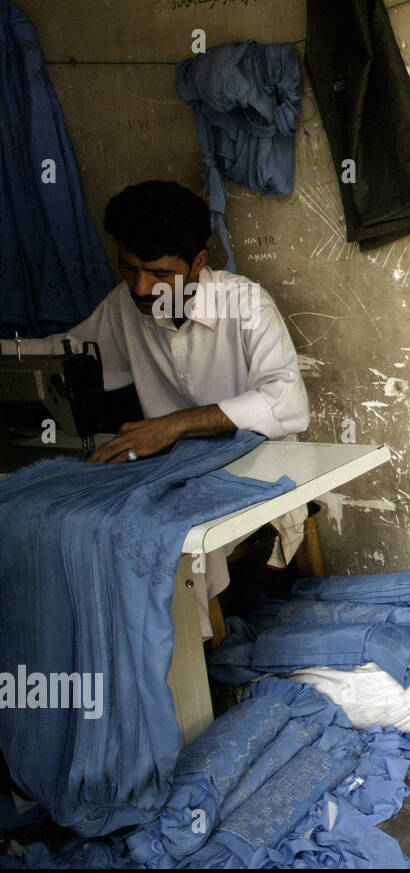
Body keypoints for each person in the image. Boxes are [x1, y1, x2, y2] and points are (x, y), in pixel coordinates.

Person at [1, 180, 310, 633]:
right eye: (129, 268)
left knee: (170, 545)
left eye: (160, 274)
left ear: (198, 262)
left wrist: (172, 426)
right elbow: (68, 355)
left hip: (256, 471)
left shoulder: (245, 305)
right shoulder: (126, 308)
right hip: (169, 472)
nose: (142, 287)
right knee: (68, 524)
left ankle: (187, 665)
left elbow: (287, 401)